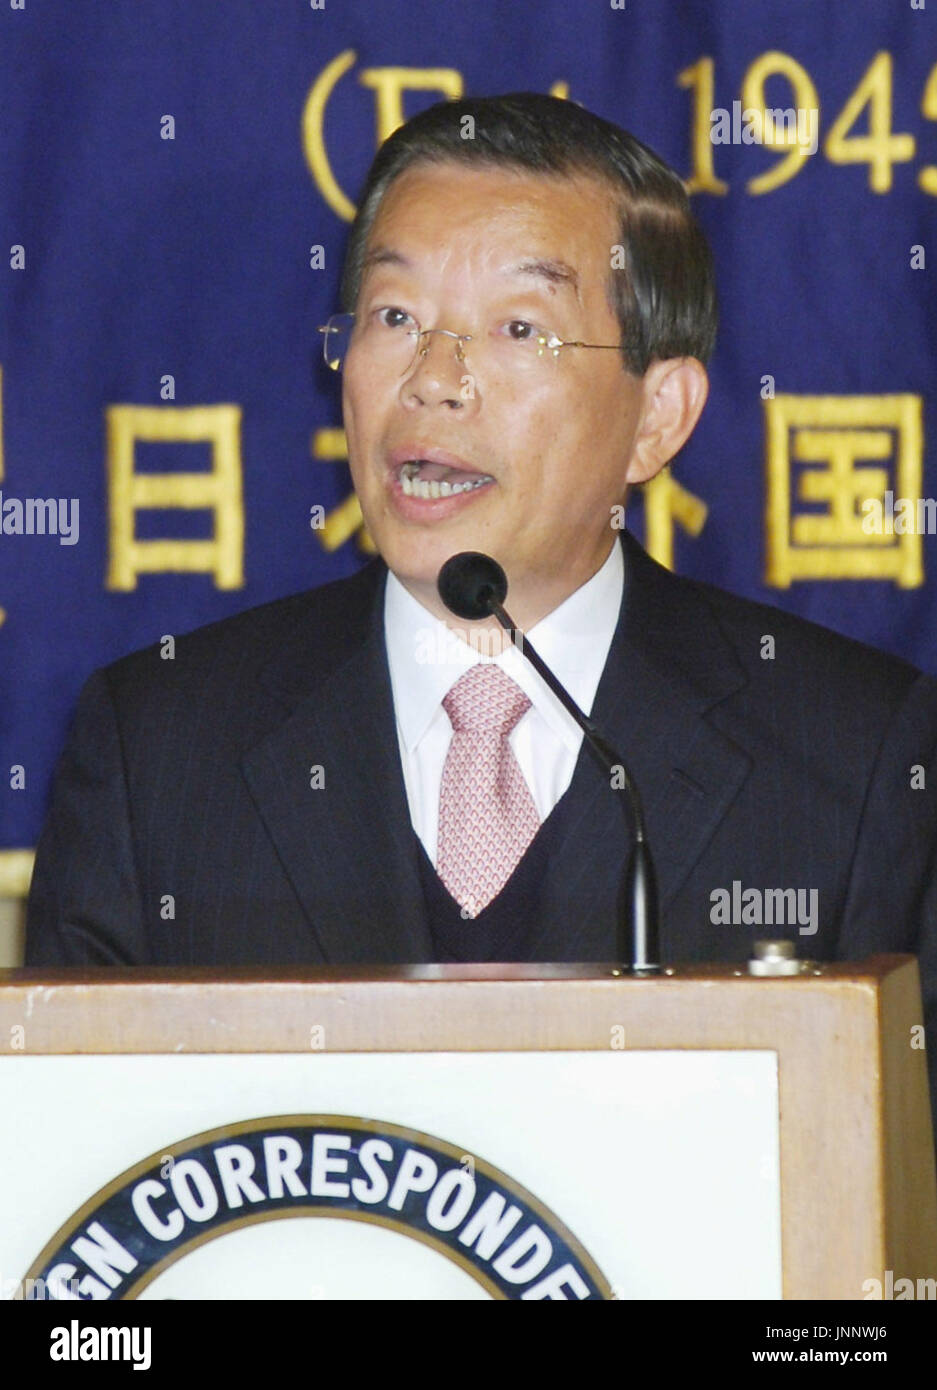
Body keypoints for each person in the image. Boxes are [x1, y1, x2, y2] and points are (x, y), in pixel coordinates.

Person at [24, 97, 937, 1131]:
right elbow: (75, 1193)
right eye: (395, 317)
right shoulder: (156, 746)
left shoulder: (855, 755)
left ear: (657, 416)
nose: (433, 383)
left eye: (517, 328)